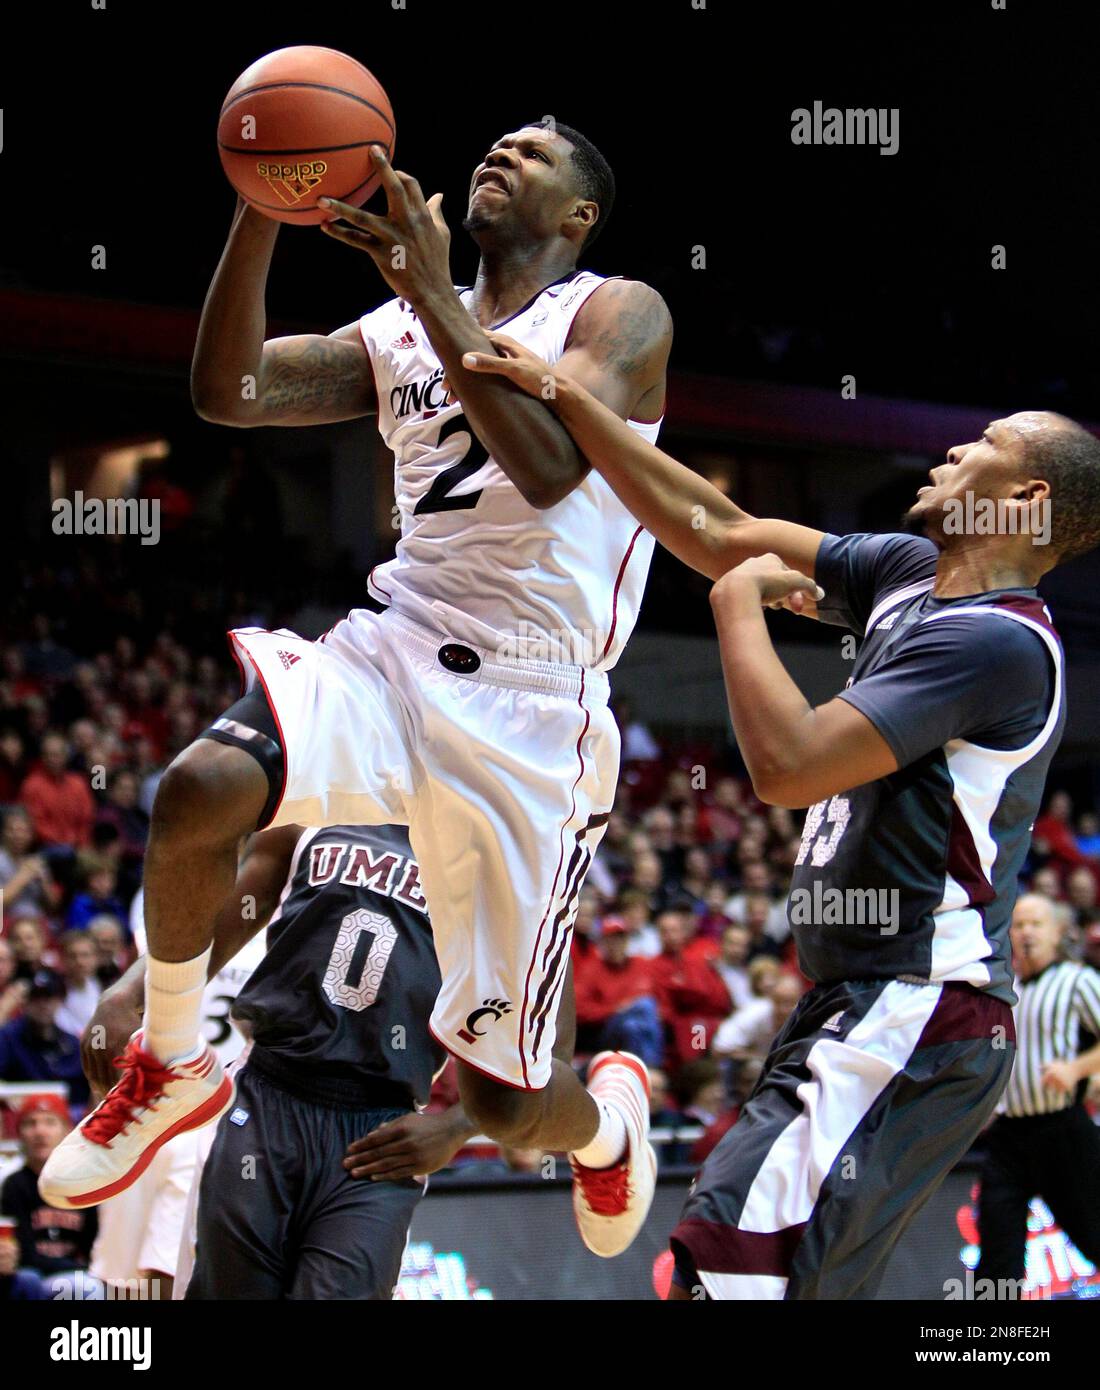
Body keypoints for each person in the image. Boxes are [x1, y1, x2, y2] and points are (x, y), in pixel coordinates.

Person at [41, 121, 672, 1257]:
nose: (498, 154)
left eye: (531, 153)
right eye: (493, 142)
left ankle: (610, 1130)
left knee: (501, 1107)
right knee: (197, 790)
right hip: (399, 642)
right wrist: (257, 209)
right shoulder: (397, 328)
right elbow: (229, 391)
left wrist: (428, 287)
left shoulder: (615, 314)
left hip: (534, 707)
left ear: (579, 214)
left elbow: (546, 462)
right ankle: (176, 1060)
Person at [458, 338, 1098, 1298]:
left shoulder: (997, 642)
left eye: (985, 445)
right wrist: (567, 397)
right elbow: (721, 527)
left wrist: (736, 611)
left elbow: (789, 766)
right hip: (873, 1003)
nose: (953, 453)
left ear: (1028, 503)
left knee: (718, 1272)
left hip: (917, 1003)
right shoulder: (909, 572)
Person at [83, 823, 479, 1300]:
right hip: (266, 1094)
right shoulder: (313, 805)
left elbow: (537, 1042)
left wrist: (459, 1125)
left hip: (381, 1128)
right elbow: (217, 922)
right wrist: (130, 991)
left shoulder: (491, 854)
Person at [976, 893, 1100, 1284]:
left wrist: (1077, 1068)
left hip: (1061, 1130)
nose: (1026, 932)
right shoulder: (1003, 991)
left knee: (1094, 1235)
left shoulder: (1078, 980)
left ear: (1058, 932)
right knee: (996, 1251)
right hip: (1007, 1136)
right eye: (1019, 924)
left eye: (1036, 924)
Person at [1, 1095, 97, 1289]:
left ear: (67, 1131)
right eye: (31, 1123)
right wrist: (81, 1269)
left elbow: (95, 1246)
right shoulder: (15, 1185)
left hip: (77, 1275)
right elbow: (23, 1255)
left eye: (50, 1122)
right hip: (33, 1275)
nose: (40, 1132)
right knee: (30, 1280)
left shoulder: (83, 1182)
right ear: (19, 1133)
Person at [0, 970, 88, 1108]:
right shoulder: (7, 1038)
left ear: (60, 1001)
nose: (43, 1005)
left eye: (49, 997)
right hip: (20, 1116)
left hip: (67, 1118)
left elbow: (86, 1091)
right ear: (25, 1002)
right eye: (36, 998)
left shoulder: (72, 1044)